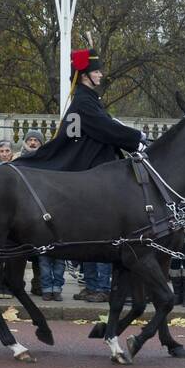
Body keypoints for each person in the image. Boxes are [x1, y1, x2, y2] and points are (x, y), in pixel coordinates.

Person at [18, 49, 144, 303]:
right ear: (85, 75)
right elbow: (107, 129)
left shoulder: (87, 99)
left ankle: (94, 283)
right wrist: (137, 139)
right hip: (93, 168)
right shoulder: (85, 102)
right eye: (96, 70)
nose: (101, 74)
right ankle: (98, 285)